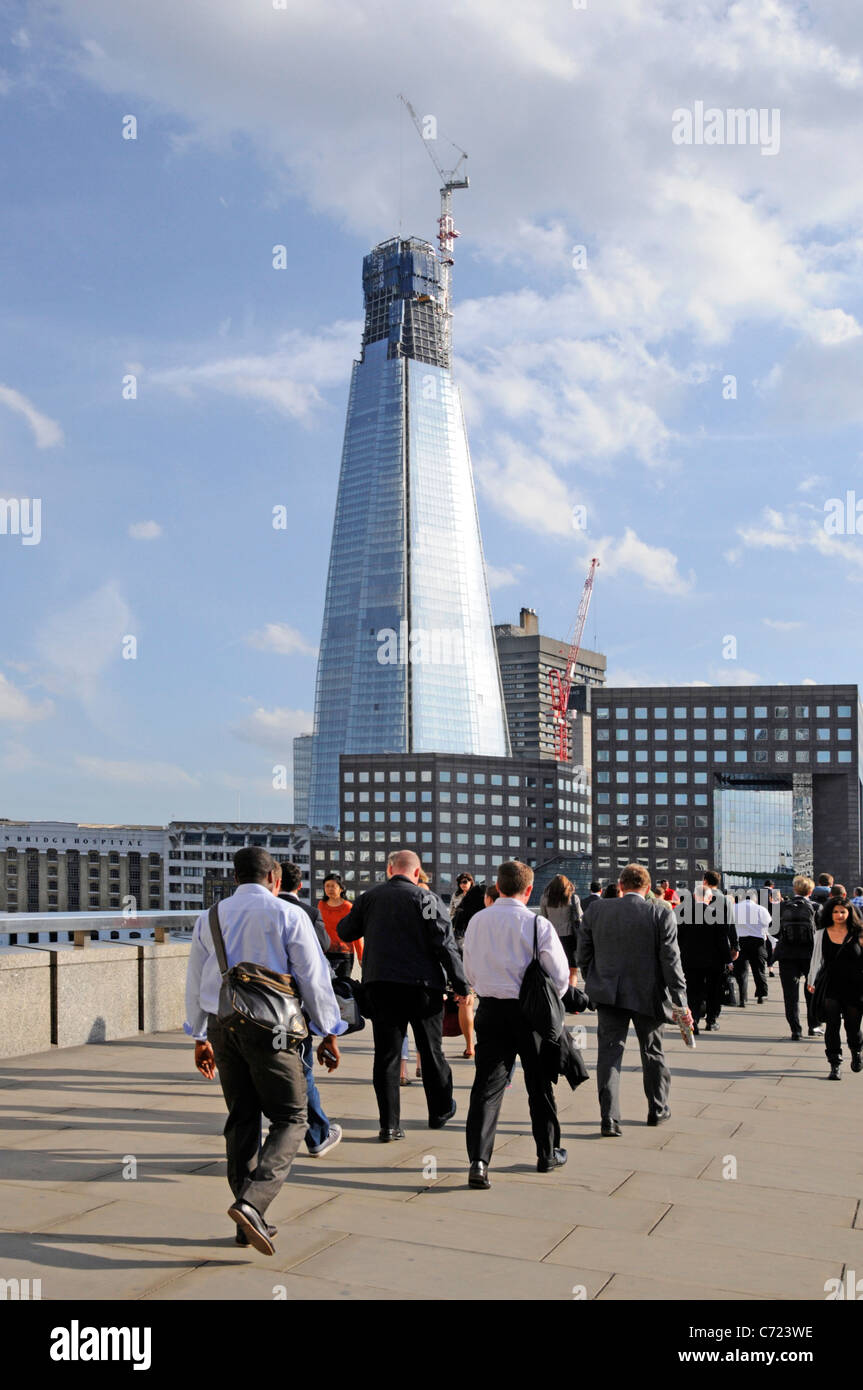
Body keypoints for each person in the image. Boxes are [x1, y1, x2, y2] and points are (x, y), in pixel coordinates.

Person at [185, 847, 345, 1255]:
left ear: (235, 878)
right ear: (275, 878)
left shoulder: (211, 916)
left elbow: (195, 979)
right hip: (274, 1030)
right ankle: (253, 1204)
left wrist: (199, 1036)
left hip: (224, 1025)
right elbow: (312, 976)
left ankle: (246, 1225)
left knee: (242, 1119)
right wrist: (329, 1030)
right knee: (292, 1117)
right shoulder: (288, 914)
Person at [338, 849, 469, 1141]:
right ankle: (439, 1111)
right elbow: (445, 945)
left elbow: (345, 932)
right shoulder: (426, 899)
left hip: (381, 987)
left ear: (389, 870)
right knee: (432, 1052)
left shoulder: (370, 898)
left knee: (386, 1057)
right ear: (416, 872)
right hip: (423, 989)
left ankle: (389, 1125)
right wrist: (461, 986)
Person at [462, 860, 569, 1188]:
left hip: (491, 1011)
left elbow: (470, 970)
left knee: (487, 1087)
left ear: (498, 885)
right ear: (529, 889)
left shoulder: (478, 921)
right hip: (530, 1014)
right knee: (539, 1085)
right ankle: (547, 1153)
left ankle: (479, 1162)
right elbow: (560, 978)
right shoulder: (538, 925)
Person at [577, 863, 687, 1136]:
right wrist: (680, 1000)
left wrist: (595, 980)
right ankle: (657, 1108)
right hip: (648, 994)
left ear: (621, 885)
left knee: (609, 1054)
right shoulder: (660, 911)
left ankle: (610, 1118)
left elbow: (582, 955)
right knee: (652, 1052)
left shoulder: (597, 910)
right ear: (648, 888)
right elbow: (671, 961)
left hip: (609, 994)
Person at [274, 862, 342, 1160]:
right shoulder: (307, 913)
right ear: (299, 886)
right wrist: (328, 1028)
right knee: (302, 1071)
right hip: (292, 1006)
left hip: (248, 1008)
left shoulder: (255, 910)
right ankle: (317, 1135)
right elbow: (319, 958)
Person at [807, 898, 863, 1079]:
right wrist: (811, 980)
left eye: (843, 912)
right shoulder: (822, 933)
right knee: (832, 1024)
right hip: (830, 984)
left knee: (852, 1025)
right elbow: (816, 959)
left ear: (849, 913)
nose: (839, 915)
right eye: (835, 912)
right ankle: (835, 1063)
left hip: (855, 985)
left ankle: (856, 1051)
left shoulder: (858, 933)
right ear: (830, 914)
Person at [676, 886, 735, 1036]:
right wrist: (728, 960)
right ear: (709, 898)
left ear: (695, 897)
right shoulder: (718, 914)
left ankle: (693, 1019)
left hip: (690, 960)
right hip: (713, 961)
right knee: (713, 990)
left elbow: (678, 938)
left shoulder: (683, 913)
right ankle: (711, 1020)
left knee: (693, 990)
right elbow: (722, 940)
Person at [775, 875, 820, 1041]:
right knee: (812, 992)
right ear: (811, 890)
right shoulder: (815, 907)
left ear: (795, 889)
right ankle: (813, 1026)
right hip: (809, 955)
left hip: (787, 955)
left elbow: (774, 931)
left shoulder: (782, 906)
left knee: (790, 995)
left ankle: (795, 1029)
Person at [539, 875, 583, 987]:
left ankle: (557, 995)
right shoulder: (573, 898)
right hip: (569, 936)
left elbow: (543, 917)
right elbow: (579, 916)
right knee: (572, 969)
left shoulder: (544, 899)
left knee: (553, 968)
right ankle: (571, 994)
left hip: (551, 937)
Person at [732, 890, 772, 1006]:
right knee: (758, 969)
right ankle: (761, 994)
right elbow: (768, 924)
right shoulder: (761, 909)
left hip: (740, 940)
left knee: (741, 971)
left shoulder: (735, 908)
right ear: (755, 899)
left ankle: (742, 998)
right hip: (757, 941)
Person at [318, 874, 358, 982]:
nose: (330, 889)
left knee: (343, 986)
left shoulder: (348, 907)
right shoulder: (321, 905)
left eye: (333, 886)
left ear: (341, 889)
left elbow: (356, 932)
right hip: (325, 953)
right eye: (327, 886)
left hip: (344, 954)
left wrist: (361, 955)